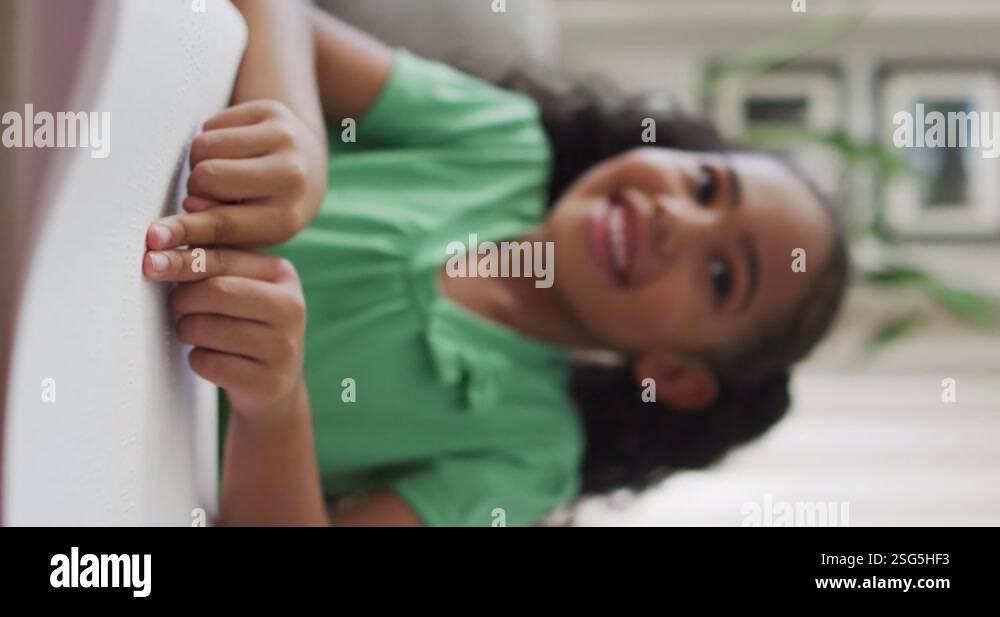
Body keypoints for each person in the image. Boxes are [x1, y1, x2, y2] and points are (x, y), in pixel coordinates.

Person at [141, 5, 848, 526]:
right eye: (704, 185)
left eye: (722, 275)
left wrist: (274, 408)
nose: (676, 219)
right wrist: (297, 130)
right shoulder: (500, 138)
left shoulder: (527, 456)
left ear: (677, 376)